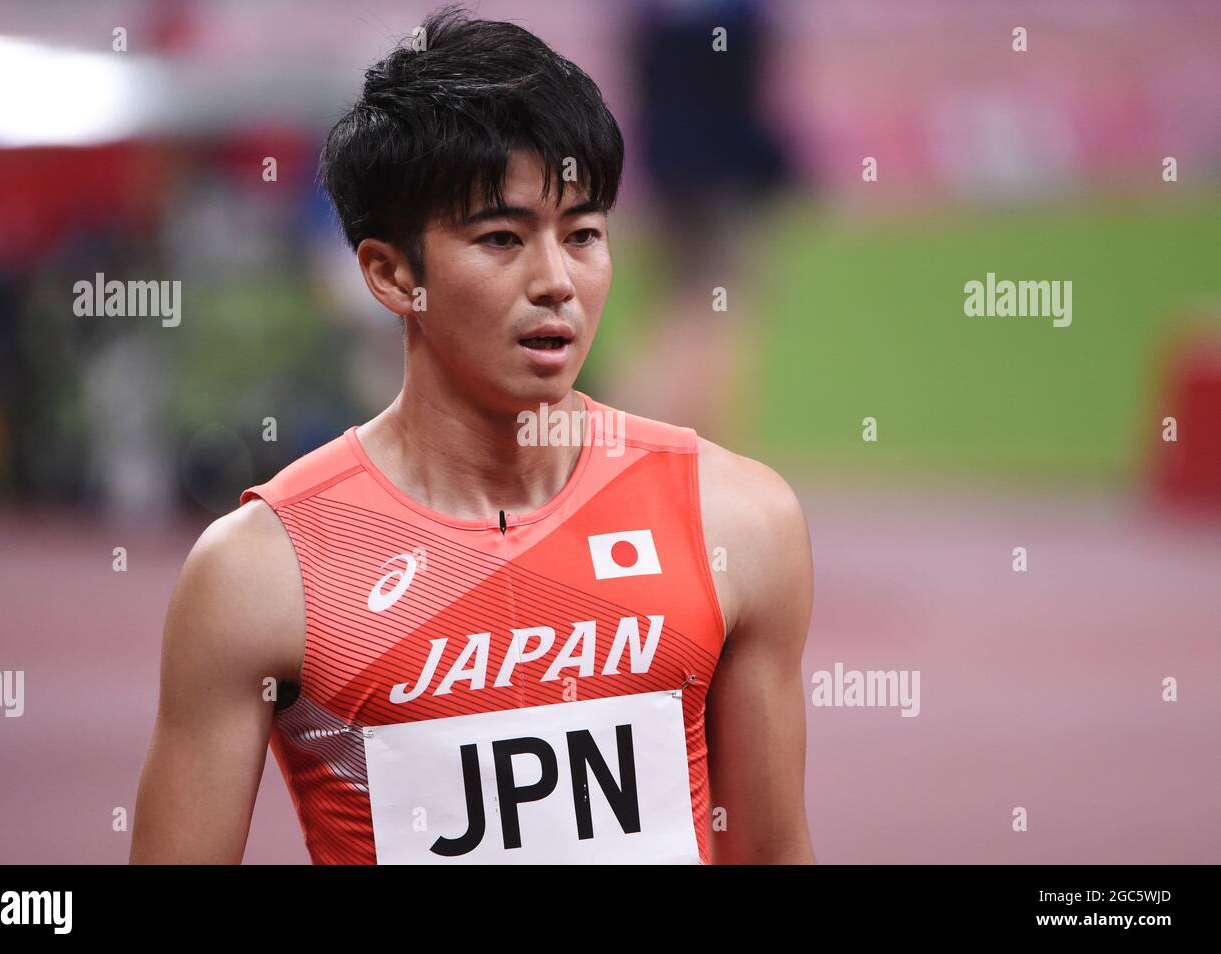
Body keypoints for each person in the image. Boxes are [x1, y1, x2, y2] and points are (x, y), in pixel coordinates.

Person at [130, 4, 814, 865]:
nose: (557, 282)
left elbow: (774, 853)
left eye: (585, 234)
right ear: (390, 274)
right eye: (502, 238)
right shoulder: (262, 574)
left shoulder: (737, 523)